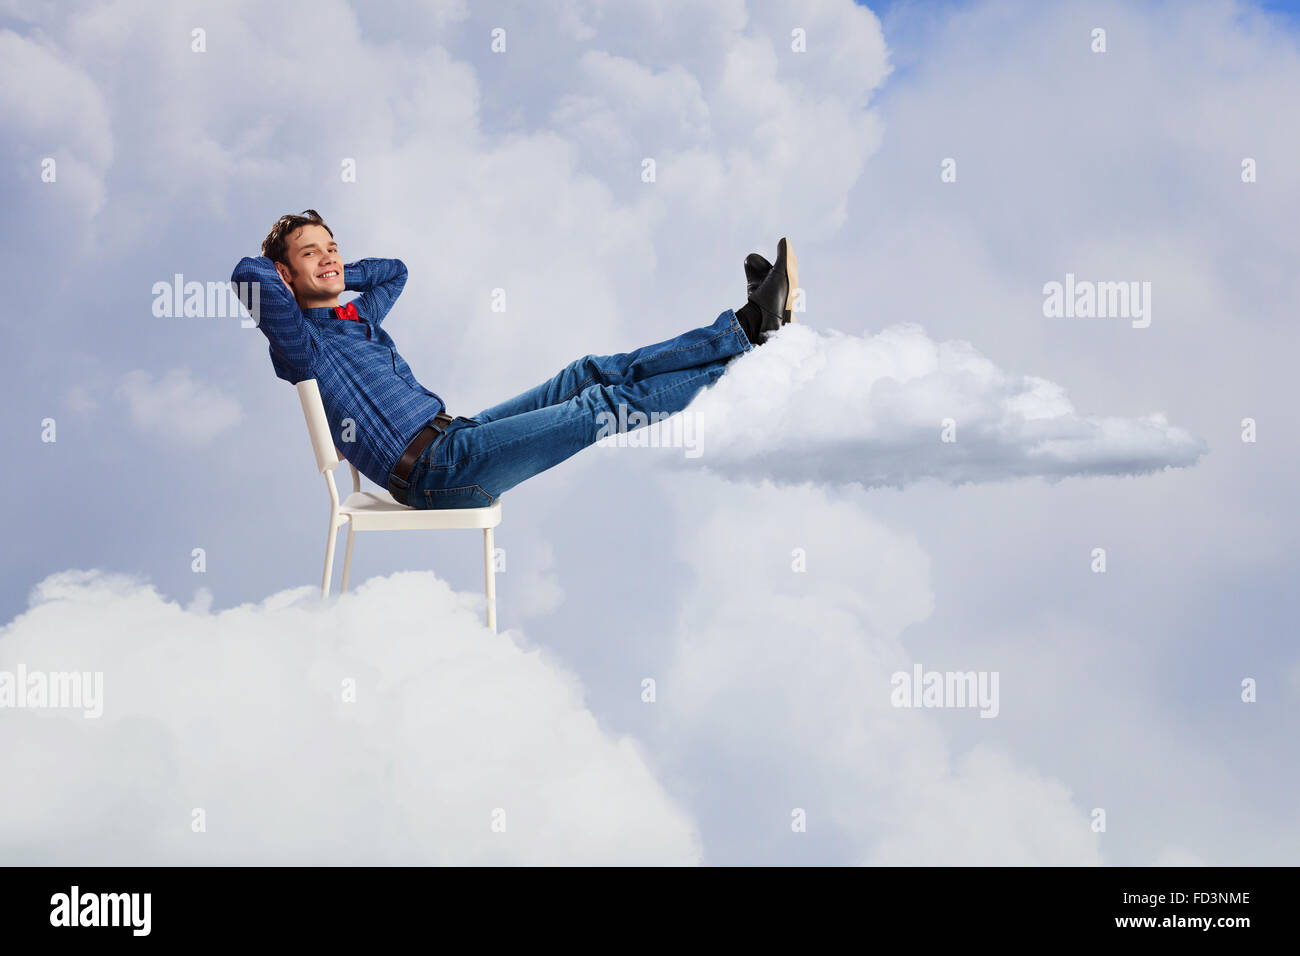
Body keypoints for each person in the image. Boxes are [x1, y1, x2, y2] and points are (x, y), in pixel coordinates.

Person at [231, 209, 798, 509]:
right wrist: (297, 276)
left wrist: (332, 274)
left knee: (585, 373)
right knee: (600, 406)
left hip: (458, 435)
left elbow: (395, 270)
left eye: (333, 246)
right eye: (312, 253)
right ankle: (753, 336)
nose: (330, 257)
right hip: (438, 476)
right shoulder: (300, 344)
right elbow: (246, 275)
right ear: (285, 274)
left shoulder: (357, 320)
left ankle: (748, 328)